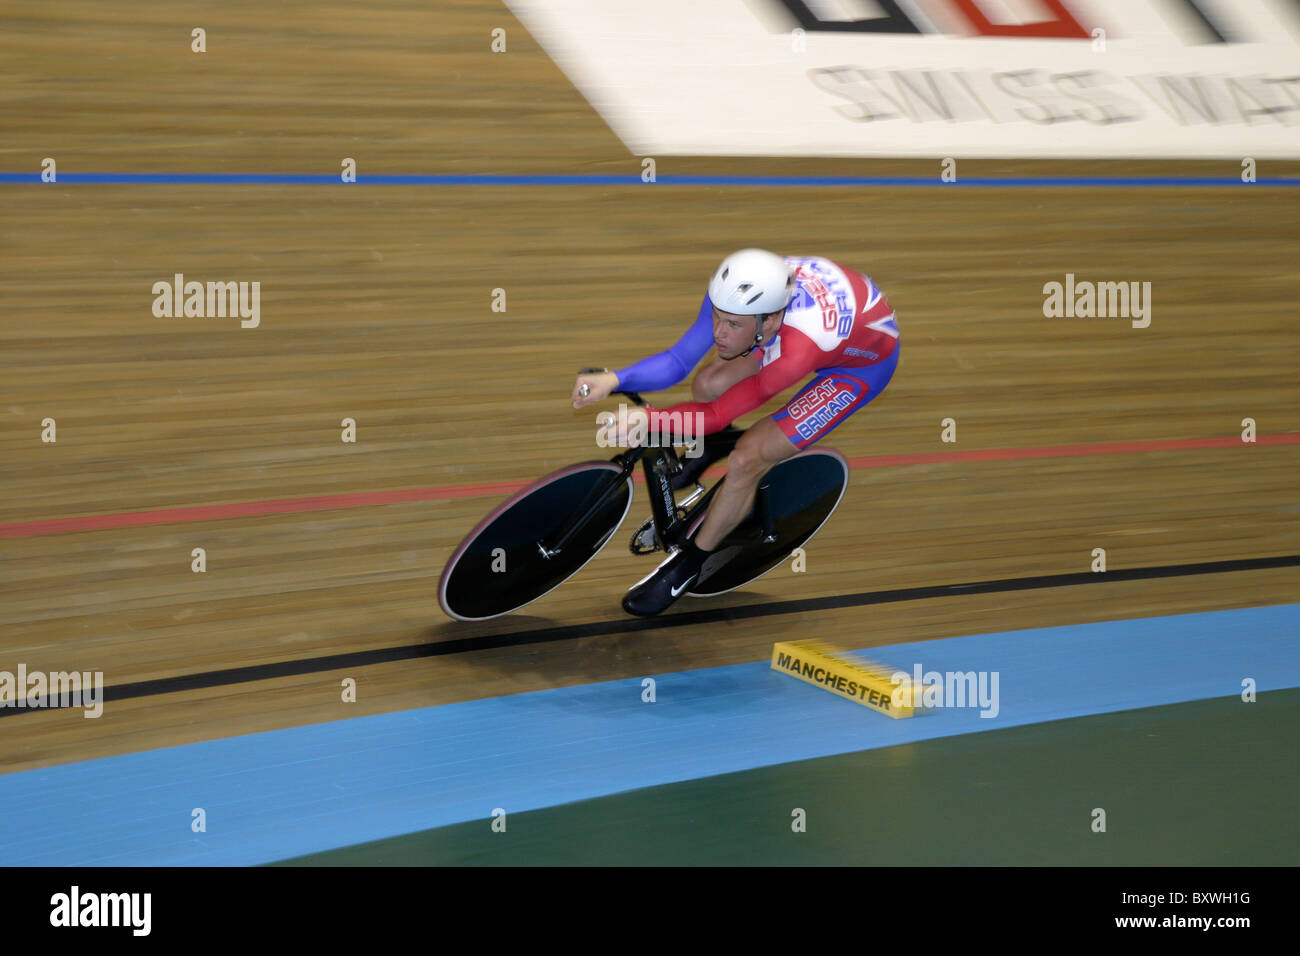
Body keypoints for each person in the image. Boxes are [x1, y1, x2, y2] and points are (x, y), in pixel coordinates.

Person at [571, 248, 900, 616]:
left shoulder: (796, 352)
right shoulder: (733, 297)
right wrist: (616, 379)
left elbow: (715, 413)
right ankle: (710, 449)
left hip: (858, 368)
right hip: (813, 325)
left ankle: (689, 565)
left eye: (733, 325)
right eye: (719, 318)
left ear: (769, 321)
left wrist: (654, 421)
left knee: (748, 457)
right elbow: (680, 361)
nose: (718, 332)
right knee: (710, 381)